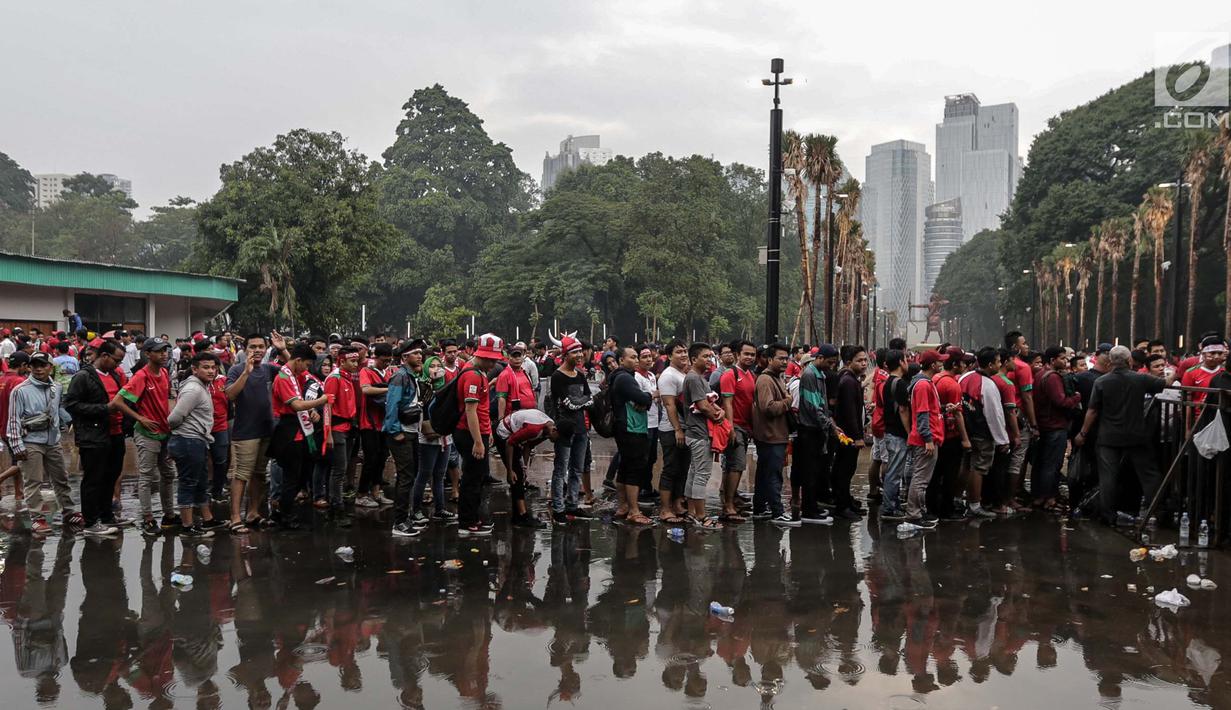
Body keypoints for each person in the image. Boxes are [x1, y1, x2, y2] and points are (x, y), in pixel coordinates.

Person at [1075, 346, 1166, 526]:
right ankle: (1157, 511)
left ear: (1110, 362)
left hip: (1108, 436)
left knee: (1108, 477)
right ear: (1129, 361)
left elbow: (1092, 411)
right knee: (1148, 474)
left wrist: (1082, 433)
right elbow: (1164, 383)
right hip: (1136, 435)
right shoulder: (1141, 378)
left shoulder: (1101, 382)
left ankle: (1108, 515)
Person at [111, 337, 179, 536]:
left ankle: (169, 514)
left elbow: (167, 398)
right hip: (147, 433)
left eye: (165, 351)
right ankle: (148, 518)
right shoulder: (141, 376)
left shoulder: (165, 372)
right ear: (147, 354)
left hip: (164, 431)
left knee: (168, 474)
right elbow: (118, 401)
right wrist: (140, 418)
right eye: (159, 351)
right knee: (147, 477)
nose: (164, 354)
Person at [223, 332, 287, 533]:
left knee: (259, 474)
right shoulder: (236, 370)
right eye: (253, 347)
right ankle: (235, 517)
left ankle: (253, 512)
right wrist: (246, 373)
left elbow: (295, 368)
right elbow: (230, 394)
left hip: (267, 430)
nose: (257, 350)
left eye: (261, 346)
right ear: (245, 350)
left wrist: (282, 349)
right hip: (245, 432)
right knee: (241, 475)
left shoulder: (270, 369)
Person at [63, 340, 128, 537]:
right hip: (93, 435)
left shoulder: (115, 375)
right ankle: (91, 521)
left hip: (115, 434)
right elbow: (71, 404)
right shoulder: (83, 377)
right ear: (104, 356)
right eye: (116, 360)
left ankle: (107, 515)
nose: (119, 364)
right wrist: (103, 409)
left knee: (111, 476)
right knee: (93, 479)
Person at [6, 351, 75, 534]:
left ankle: (68, 511)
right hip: (30, 441)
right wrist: (17, 445)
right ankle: (37, 517)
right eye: (34, 365)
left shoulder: (57, 388)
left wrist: (65, 425)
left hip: (53, 441)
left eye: (42, 365)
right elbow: (13, 419)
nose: (38, 369)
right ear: (29, 367)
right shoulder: (20, 390)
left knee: (61, 478)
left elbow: (57, 411)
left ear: (50, 367)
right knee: (33, 481)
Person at [266, 342, 331, 530]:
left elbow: (300, 371)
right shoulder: (284, 378)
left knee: (303, 473)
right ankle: (285, 514)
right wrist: (322, 400)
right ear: (300, 361)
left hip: (301, 430)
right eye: (308, 364)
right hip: (289, 429)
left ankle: (286, 509)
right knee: (291, 477)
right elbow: (296, 406)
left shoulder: (295, 373)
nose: (308, 369)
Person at [167, 351, 225, 538]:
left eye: (213, 368)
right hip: (188, 441)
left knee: (200, 482)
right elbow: (174, 417)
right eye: (206, 367)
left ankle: (208, 520)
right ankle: (187, 527)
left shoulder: (202, 386)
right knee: (188, 483)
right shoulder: (193, 389)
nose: (211, 371)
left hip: (196, 441)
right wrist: (182, 433)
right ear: (195, 369)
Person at [454, 333, 505, 536]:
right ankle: (467, 522)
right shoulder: (473, 375)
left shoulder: (480, 373)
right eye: (492, 360)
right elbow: (470, 411)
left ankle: (472, 517)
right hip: (469, 433)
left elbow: (482, 409)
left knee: (476, 478)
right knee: (472, 479)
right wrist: (478, 441)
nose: (494, 364)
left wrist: (488, 433)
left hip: (478, 432)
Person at [959, 347, 1010, 519]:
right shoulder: (988, 385)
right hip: (982, 433)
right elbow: (994, 414)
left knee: (965, 466)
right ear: (990, 364)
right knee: (978, 468)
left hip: (965, 430)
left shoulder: (965, 377)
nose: (1000, 364)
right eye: (997, 361)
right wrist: (1002, 439)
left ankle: (959, 498)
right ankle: (975, 504)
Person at [548, 335, 594, 525]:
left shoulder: (580, 375)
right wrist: (583, 402)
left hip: (581, 428)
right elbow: (569, 403)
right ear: (565, 355)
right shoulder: (557, 376)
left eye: (579, 351)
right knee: (561, 469)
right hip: (565, 429)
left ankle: (572, 504)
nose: (579, 355)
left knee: (576, 468)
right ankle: (558, 508)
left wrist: (582, 402)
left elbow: (589, 399)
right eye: (574, 352)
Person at [608, 346, 655, 526]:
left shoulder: (619, 377)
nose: (636, 361)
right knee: (634, 469)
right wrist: (648, 397)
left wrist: (644, 398)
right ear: (621, 360)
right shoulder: (624, 378)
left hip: (625, 427)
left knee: (625, 468)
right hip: (632, 427)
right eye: (633, 357)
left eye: (637, 357)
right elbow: (643, 398)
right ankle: (634, 511)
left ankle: (624, 506)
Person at [384, 340, 426, 538]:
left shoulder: (412, 376)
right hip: (401, 433)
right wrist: (395, 431)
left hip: (412, 432)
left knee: (409, 475)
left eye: (420, 353)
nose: (420, 356)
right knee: (406, 476)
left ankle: (405, 517)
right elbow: (391, 405)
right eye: (415, 353)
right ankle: (399, 522)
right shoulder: (399, 377)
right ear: (404, 357)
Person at [681, 342, 725, 529]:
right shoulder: (694, 378)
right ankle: (701, 516)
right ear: (693, 359)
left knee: (694, 472)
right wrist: (719, 417)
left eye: (710, 356)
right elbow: (703, 405)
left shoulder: (699, 378)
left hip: (697, 432)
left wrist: (719, 410)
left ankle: (692, 512)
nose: (709, 359)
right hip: (699, 433)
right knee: (702, 475)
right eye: (705, 356)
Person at [1032, 346, 1081, 511]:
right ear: (1053, 360)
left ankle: (1040, 496)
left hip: (1045, 424)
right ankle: (1049, 498)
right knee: (1052, 464)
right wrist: (1076, 398)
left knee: (1043, 463)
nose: (1066, 362)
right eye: (1063, 359)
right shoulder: (1052, 377)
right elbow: (1060, 401)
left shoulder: (1040, 375)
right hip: (1055, 425)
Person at [796, 344, 840, 524]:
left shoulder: (820, 374)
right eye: (829, 362)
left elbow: (822, 405)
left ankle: (812, 506)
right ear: (820, 357)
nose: (831, 366)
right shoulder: (809, 375)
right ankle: (808, 510)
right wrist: (829, 425)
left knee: (816, 471)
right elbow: (813, 405)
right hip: (809, 429)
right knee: (810, 472)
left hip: (818, 428)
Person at [751, 343, 794, 524]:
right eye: (780, 358)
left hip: (774, 435)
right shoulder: (766, 380)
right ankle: (777, 511)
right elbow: (768, 407)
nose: (785, 362)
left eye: (786, 358)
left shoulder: (776, 378)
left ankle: (760, 508)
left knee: (764, 474)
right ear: (769, 359)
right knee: (773, 475)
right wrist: (788, 401)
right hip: (770, 436)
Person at [495, 408, 557, 529]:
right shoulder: (535, 429)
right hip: (503, 434)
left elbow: (528, 445)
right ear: (554, 430)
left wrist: (524, 468)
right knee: (515, 476)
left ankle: (518, 516)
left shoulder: (547, 429)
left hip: (514, 435)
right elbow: (509, 443)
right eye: (556, 438)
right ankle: (522, 517)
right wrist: (509, 470)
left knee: (519, 474)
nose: (554, 442)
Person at [905, 350, 944, 528]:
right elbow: (922, 414)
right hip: (925, 440)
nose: (941, 364)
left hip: (928, 437)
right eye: (939, 361)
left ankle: (918, 512)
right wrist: (928, 439)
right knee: (920, 479)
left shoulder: (925, 383)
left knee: (921, 478)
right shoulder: (922, 385)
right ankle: (914, 515)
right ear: (932, 365)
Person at [718, 340, 756, 522]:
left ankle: (730, 501)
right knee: (737, 466)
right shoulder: (729, 375)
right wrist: (730, 428)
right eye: (746, 354)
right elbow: (728, 403)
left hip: (746, 427)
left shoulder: (751, 375)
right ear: (737, 355)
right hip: (734, 427)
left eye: (752, 354)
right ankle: (728, 506)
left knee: (731, 466)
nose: (749, 357)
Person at [929, 346, 969, 520]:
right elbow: (957, 413)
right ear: (955, 365)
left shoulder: (937, 378)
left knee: (936, 473)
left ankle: (932, 508)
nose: (965, 365)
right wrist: (965, 439)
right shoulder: (952, 385)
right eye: (963, 362)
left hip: (938, 433)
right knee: (950, 474)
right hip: (950, 436)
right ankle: (946, 510)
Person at [831, 346, 870, 520]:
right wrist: (858, 437)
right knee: (844, 470)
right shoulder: (848, 382)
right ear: (848, 363)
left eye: (865, 360)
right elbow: (849, 413)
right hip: (847, 437)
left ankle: (847, 502)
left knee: (847, 469)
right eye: (859, 360)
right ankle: (842, 506)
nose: (863, 364)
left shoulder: (851, 379)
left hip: (849, 435)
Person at [323, 346, 361, 526]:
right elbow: (327, 406)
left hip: (349, 428)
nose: (356, 364)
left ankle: (337, 507)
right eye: (352, 361)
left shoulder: (348, 377)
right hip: (337, 429)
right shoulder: (334, 378)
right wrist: (328, 433)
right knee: (338, 470)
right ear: (341, 361)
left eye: (357, 361)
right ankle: (336, 510)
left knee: (342, 469)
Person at [655, 340, 689, 524]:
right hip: (671, 429)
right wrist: (677, 429)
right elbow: (669, 404)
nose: (683, 354)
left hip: (685, 428)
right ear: (669, 356)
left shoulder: (682, 374)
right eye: (678, 352)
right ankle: (665, 509)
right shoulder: (668, 376)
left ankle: (677, 503)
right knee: (671, 468)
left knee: (683, 468)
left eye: (685, 351)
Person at [356, 343, 393, 508]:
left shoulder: (390, 372)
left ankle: (377, 491)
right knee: (370, 459)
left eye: (389, 360)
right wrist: (389, 389)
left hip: (385, 423)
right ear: (375, 357)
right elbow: (366, 390)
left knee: (382, 457)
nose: (386, 363)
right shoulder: (367, 371)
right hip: (369, 423)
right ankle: (362, 493)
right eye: (384, 360)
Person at [878, 350, 912, 520]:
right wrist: (910, 432)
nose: (908, 362)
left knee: (894, 470)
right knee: (894, 472)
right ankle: (889, 508)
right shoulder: (899, 384)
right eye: (906, 359)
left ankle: (892, 504)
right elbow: (903, 410)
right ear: (900, 362)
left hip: (891, 432)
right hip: (898, 434)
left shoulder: (888, 382)